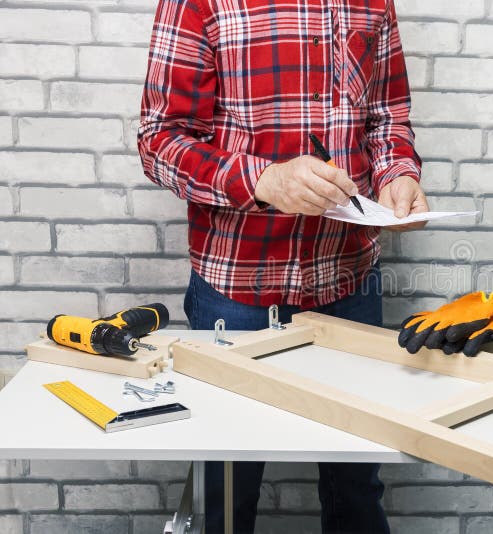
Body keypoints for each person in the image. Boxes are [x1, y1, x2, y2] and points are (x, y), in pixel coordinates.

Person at [137, 0, 427, 532]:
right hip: (235, 292)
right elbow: (161, 139)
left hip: (350, 279)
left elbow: (388, 118)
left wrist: (397, 174)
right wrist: (263, 181)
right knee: (229, 485)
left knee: (356, 486)